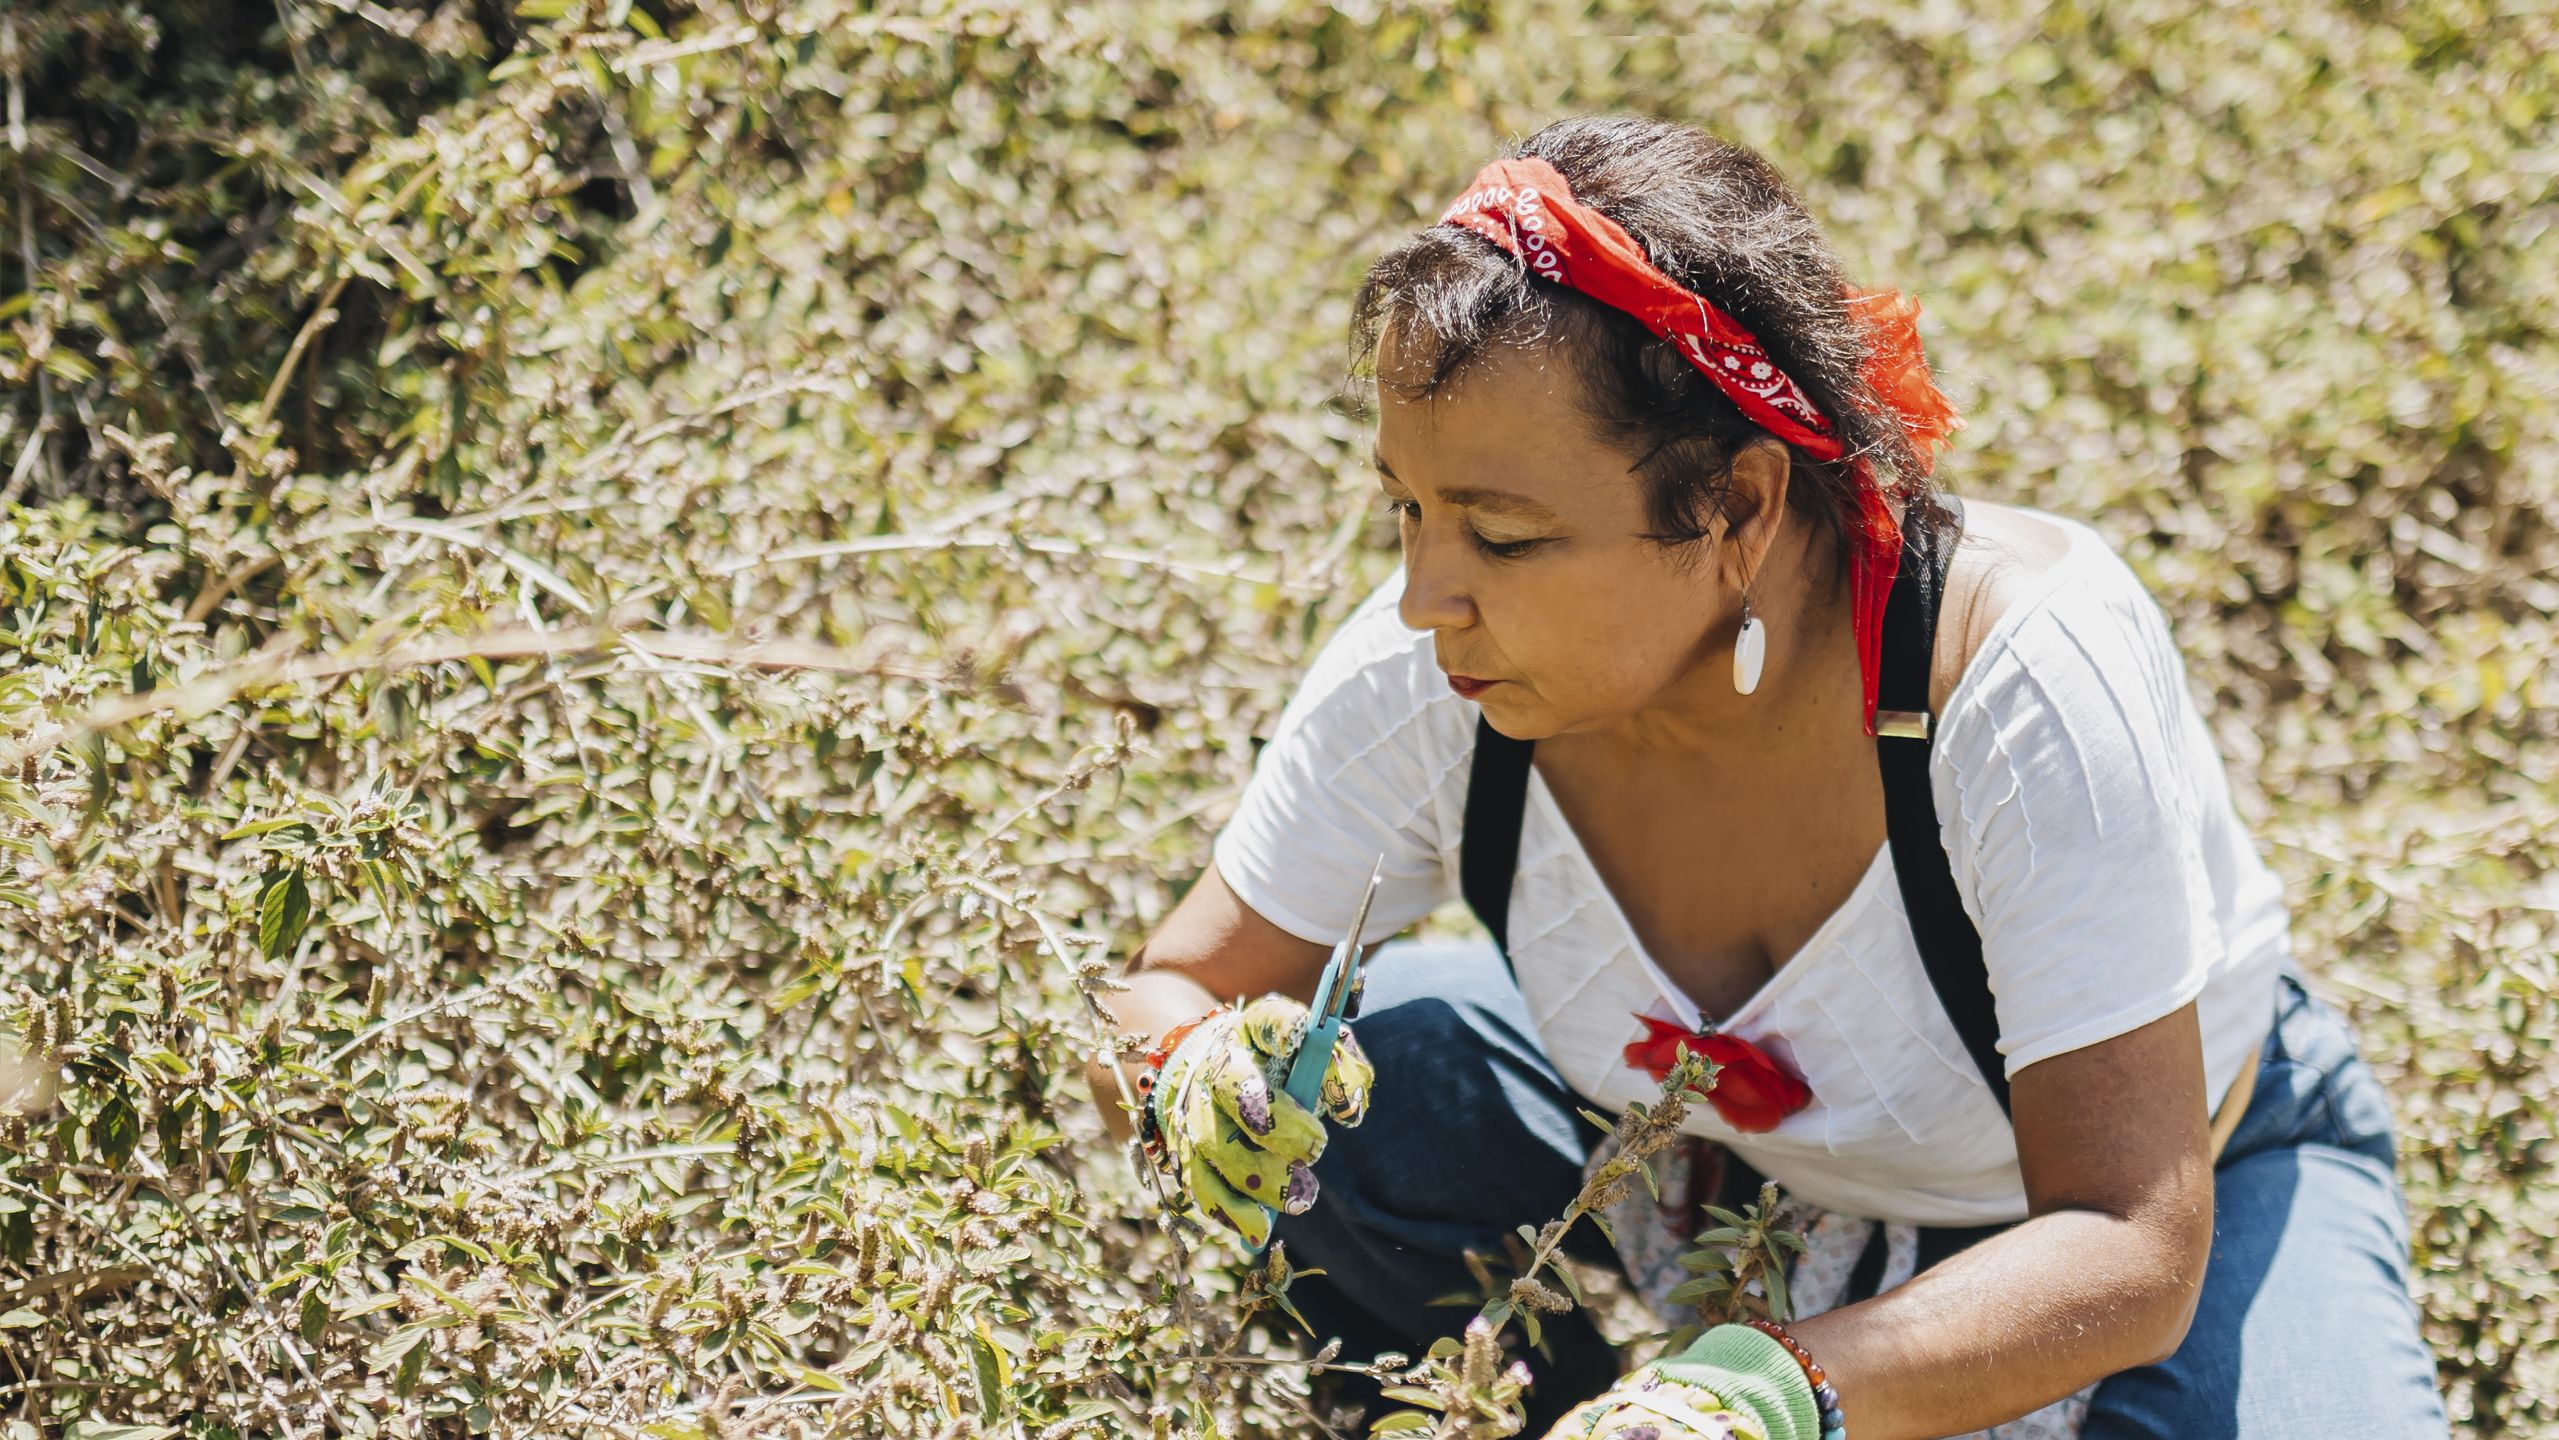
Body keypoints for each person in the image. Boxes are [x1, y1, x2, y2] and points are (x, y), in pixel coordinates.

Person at [1089, 114, 2449, 1440]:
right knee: (1383, 1089)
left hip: (2168, 1195)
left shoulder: (2018, 674)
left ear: (1737, 506)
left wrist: (1769, 1395)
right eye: (1406, 507)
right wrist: (1188, 1068)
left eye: (1502, 536)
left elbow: (2131, 1245)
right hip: (1734, 1178)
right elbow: (1168, 988)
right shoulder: (1428, 674)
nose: (1424, 594)